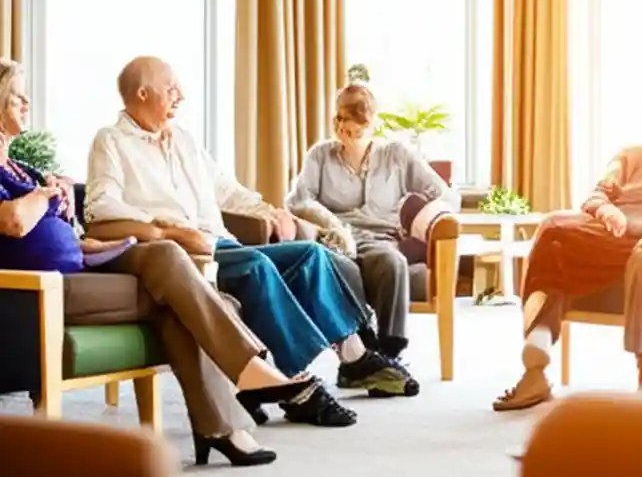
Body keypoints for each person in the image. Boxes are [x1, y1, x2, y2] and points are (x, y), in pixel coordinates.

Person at [0, 59, 321, 466]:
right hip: (40, 290)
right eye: (16, 95)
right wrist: (47, 196)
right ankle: (242, 382)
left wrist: (91, 239)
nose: (27, 101)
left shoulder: (25, 170)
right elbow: (13, 221)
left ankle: (222, 425)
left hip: (85, 265)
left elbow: (72, 237)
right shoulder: (26, 179)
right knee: (183, 302)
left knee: (168, 257)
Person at [84, 57, 417, 424]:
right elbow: (101, 208)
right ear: (142, 93)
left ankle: (354, 358)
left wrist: (269, 212)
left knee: (311, 254)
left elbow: (225, 189)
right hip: (186, 256)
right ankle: (295, 383)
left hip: (221, 243)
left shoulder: (183, 140)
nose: (181, 95)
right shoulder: (111, 142)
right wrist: (166, 228)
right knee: (257, 266)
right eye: (170, 88)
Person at [493, 90, 642, 411]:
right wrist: (606, 210)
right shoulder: (628, 156)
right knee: (553, 227)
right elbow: (597, 194)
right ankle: (536, 361)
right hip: (609, 238)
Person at [287, 84, 460, 361]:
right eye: (342, 119)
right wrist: (331, 224)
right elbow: (298, 201)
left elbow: (444, 194)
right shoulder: (320, 155)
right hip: (335, 241)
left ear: (372, 122)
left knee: (393, 264)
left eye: (357, 121)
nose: (348, 128)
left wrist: (416, 217)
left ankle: (391, 351)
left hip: (381, 240)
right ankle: (362, 348)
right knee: (343, 269)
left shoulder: (397, 155)